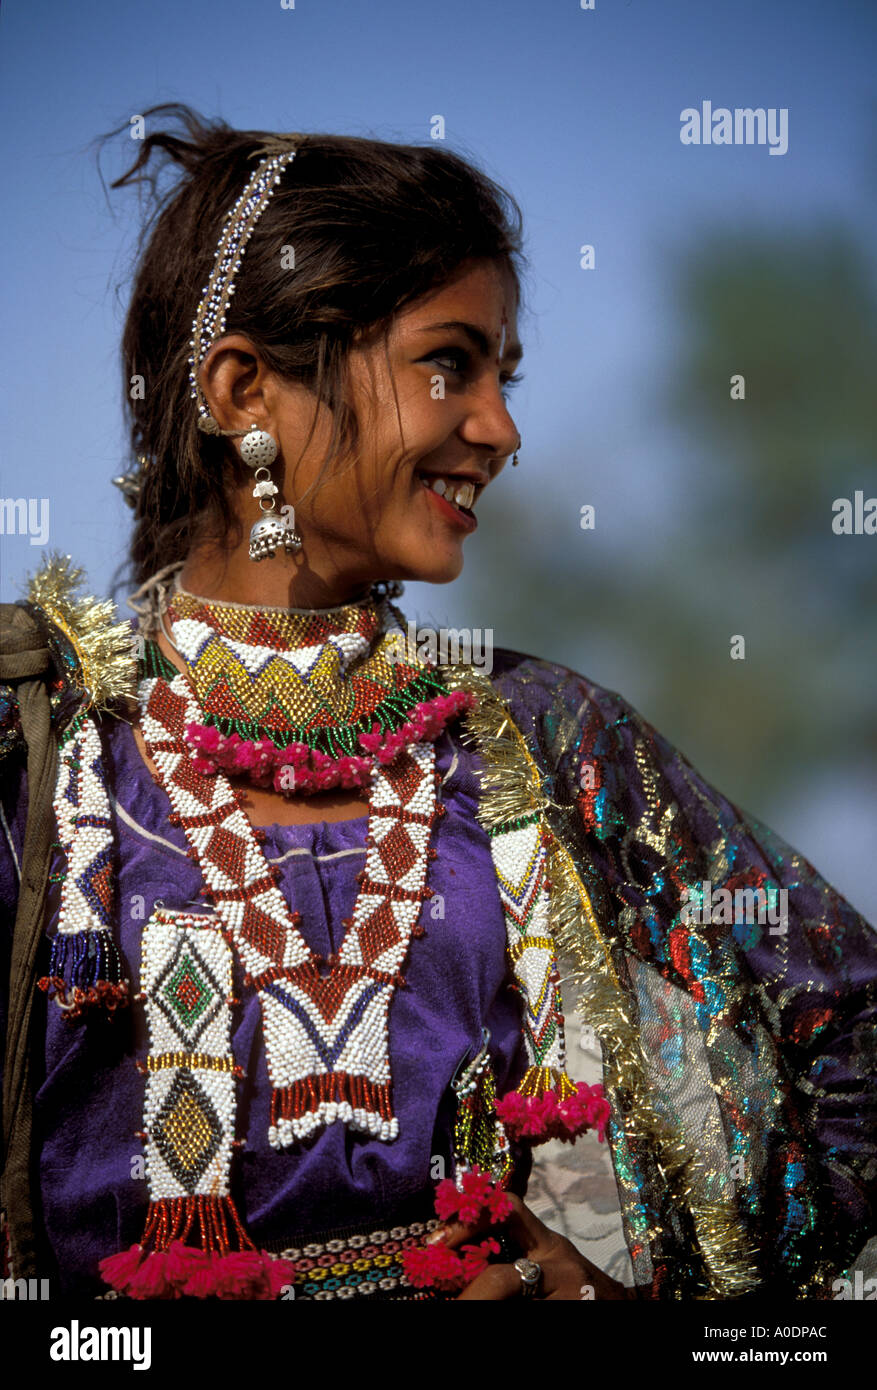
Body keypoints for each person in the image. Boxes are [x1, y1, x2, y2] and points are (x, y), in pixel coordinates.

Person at [1, 104, 874, 1303]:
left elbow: (852, 1029)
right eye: (448, 364)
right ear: (247, 389)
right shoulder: (44, 762)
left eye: (502, 378)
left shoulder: (542, 734)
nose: (501, 430)